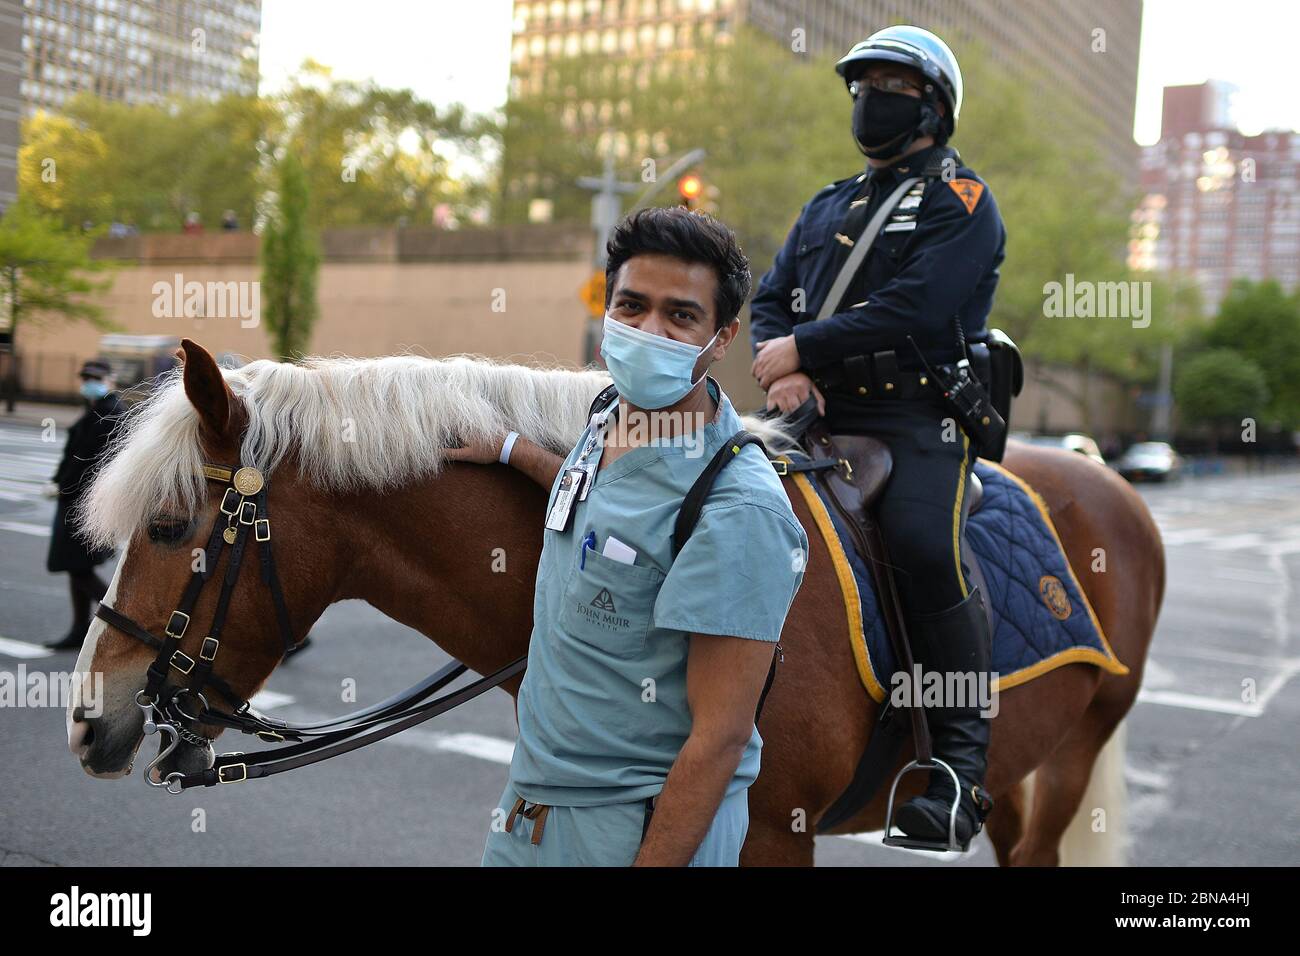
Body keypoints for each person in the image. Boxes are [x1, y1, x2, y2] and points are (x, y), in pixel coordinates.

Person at [451, 206, 809, 866]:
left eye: (680, 316)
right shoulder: (608, 417)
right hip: (529, 807)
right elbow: (604, 508)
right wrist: (512, 451)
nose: (649, 329)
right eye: (632, 305)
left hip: (633, 829)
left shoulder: (737, 507)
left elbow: (720, 739)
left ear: (722, 337)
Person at [749, 25, 1006, 849]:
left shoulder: (962, 202)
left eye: (891, 88)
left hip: (918, 416)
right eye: (863, 87)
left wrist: (805, 347)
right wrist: (783, 368)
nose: (871, 101)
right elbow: (771, 295)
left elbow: (919, 310)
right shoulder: (827, 203)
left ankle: (960, 772)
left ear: (933, 107)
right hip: (815, 407)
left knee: (924, 545)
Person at [45, 360, 126, 650]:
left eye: (95, 377)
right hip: (74, 499)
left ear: (109, 379)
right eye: (86, 377)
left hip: (85, 504)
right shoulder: (96, 409)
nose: (89, 381)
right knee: (75, 567)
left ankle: (122, 621)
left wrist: (66, 485)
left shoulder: (111, 412)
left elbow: (96, 462)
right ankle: (80, 628)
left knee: (80, 568)